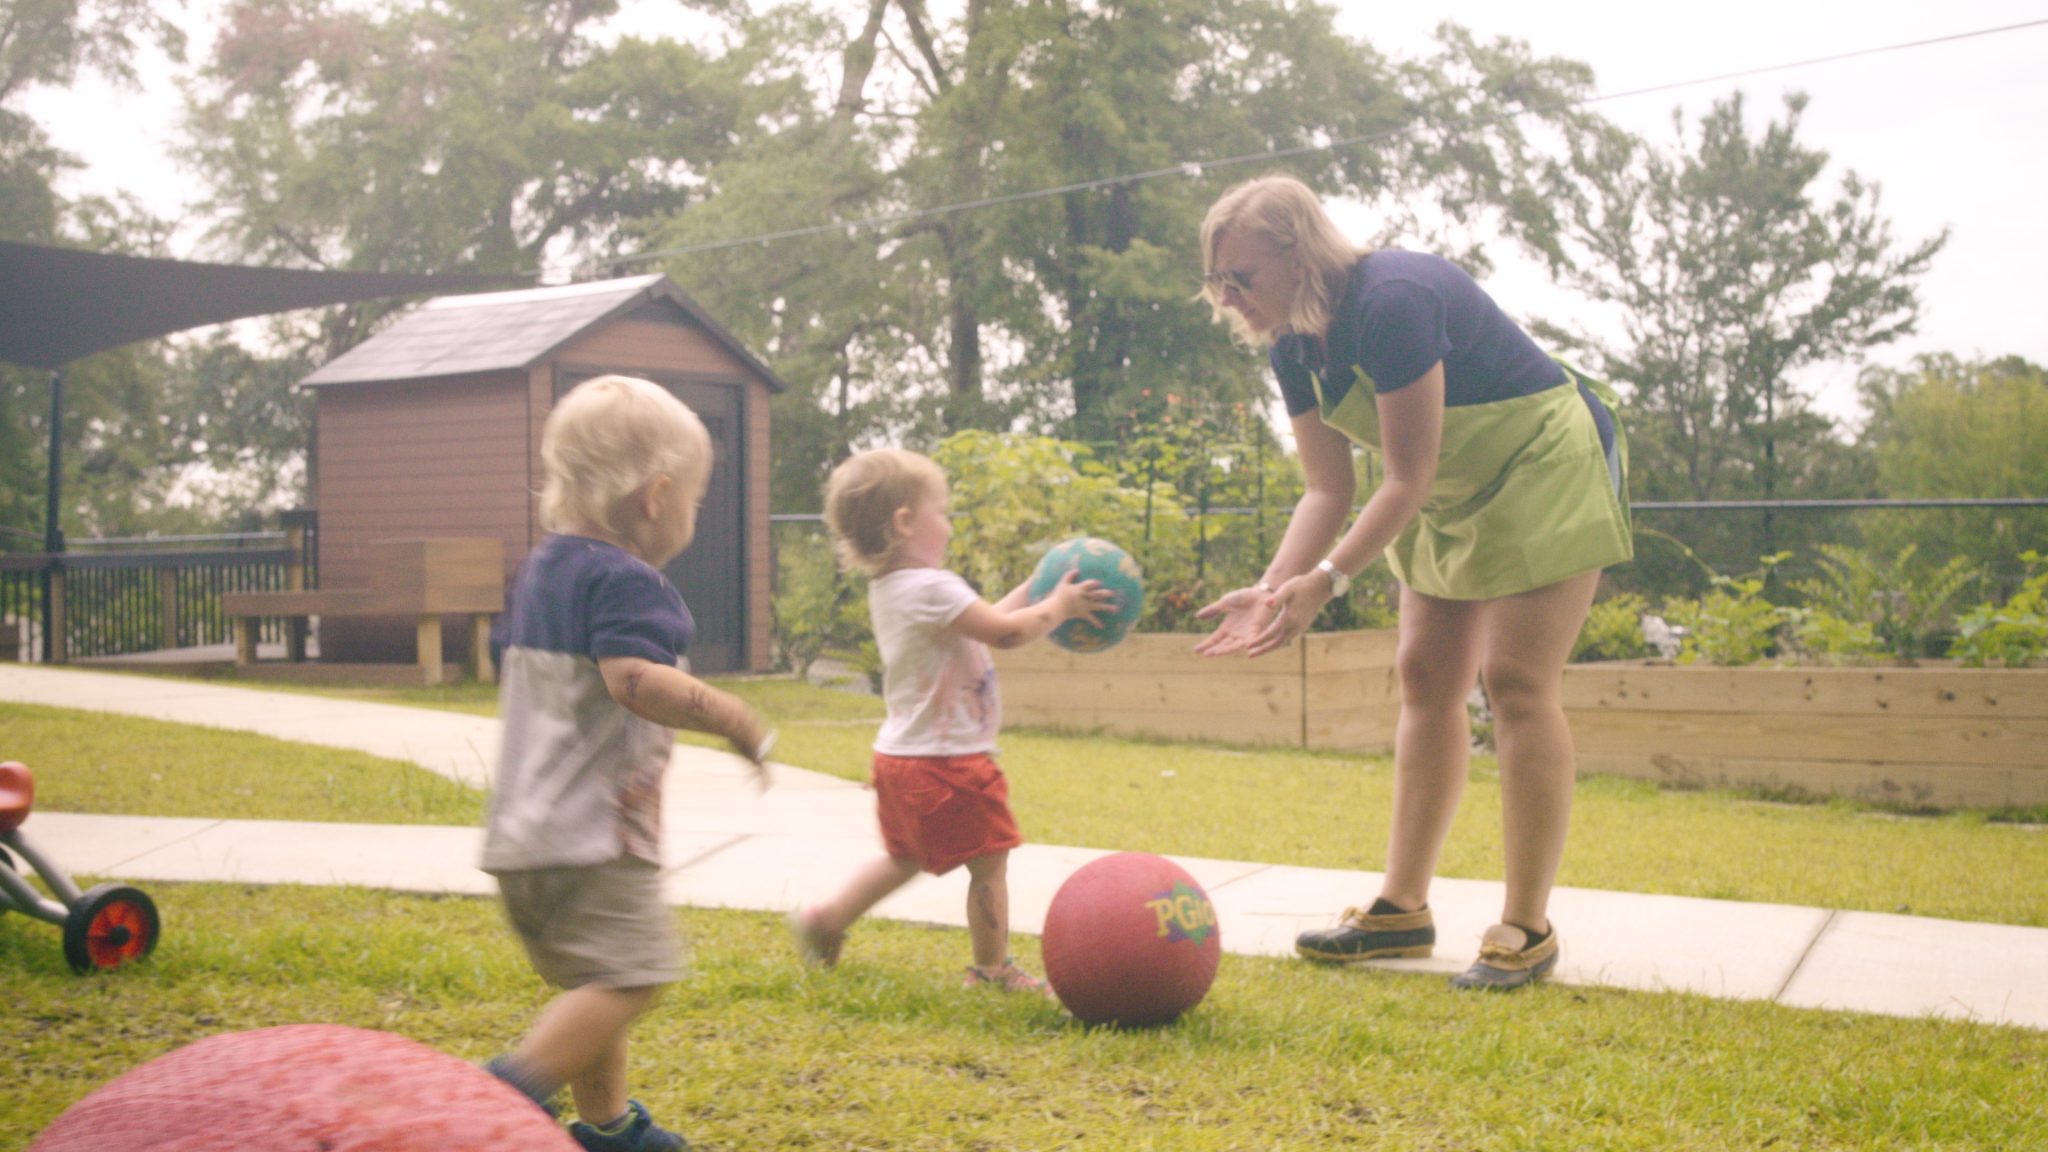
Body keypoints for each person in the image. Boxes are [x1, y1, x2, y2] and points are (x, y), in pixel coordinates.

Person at [1192, 175, 1632, 991]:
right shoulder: (1294, 344)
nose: (1227, 298)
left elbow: (1407, 475)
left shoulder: (1390, 300)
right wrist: (1273, 584)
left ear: (1298, 253)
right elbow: (1327, 488)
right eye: (1216, 282)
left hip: (1543, 461)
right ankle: (1402, 908)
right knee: (1425, 676)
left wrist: (1325, 581)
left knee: (1515, 683)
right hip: (1452, 484)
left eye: (1240, 277)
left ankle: (1526, 927)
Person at [480, 374, 775, 1151]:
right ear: (657, 495)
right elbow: (634, 681)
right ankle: (502, 1098)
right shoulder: (627, 581)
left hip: (523, 841)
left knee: (595, 982)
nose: (692, 515)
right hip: (594, 843)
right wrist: (731, 716)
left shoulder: (544, 571)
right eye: (696, 499)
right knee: (632, 978)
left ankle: (609, 1130)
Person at [792, 448, 1112, 993]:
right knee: (990, 862)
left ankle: (826, 920)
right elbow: (1007, 634)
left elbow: (985, 620)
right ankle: (991, 971)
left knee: (904, 856)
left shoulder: (899, 588)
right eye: (941, 511)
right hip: (948, 762)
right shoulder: (932, 589)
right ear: (905, 522)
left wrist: (1039, 590)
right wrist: (1060, 606)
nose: (949, 523)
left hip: (901, 757)